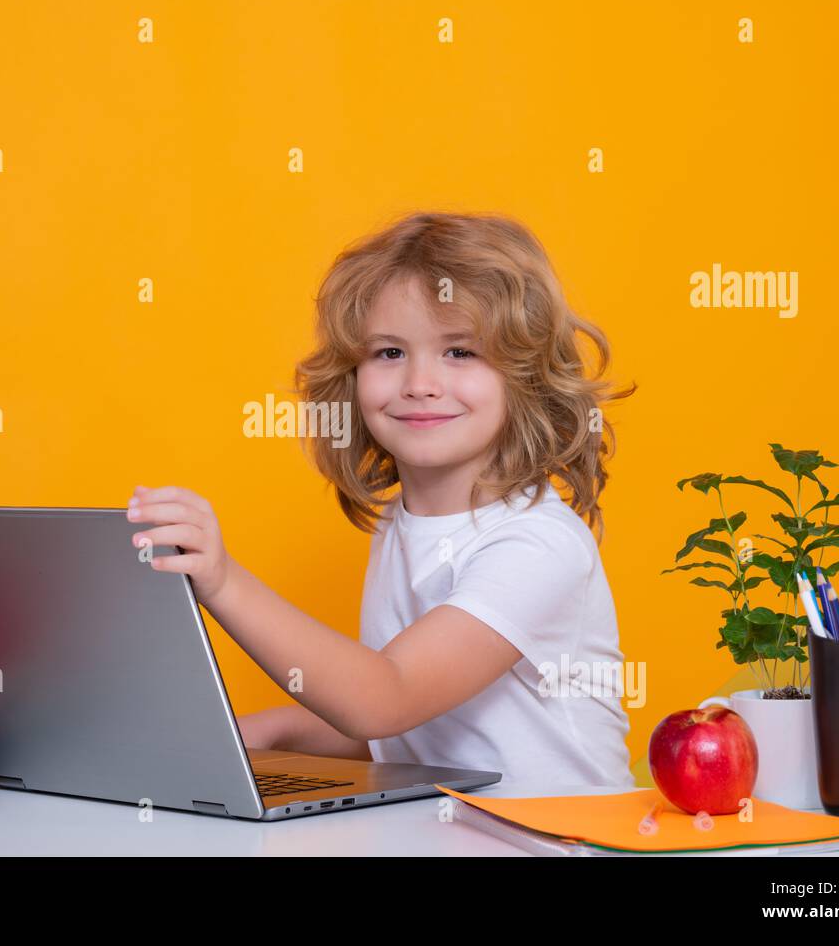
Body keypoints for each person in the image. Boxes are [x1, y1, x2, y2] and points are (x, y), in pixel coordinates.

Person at [126, 210, 638, 791]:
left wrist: (221, 581)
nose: (420, 382)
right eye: (390, 353)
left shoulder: (537, 544)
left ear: (524, 377)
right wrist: (274, 731)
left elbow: (388, 698)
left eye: (460, 352)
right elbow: (412, 726)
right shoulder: (401, 524)